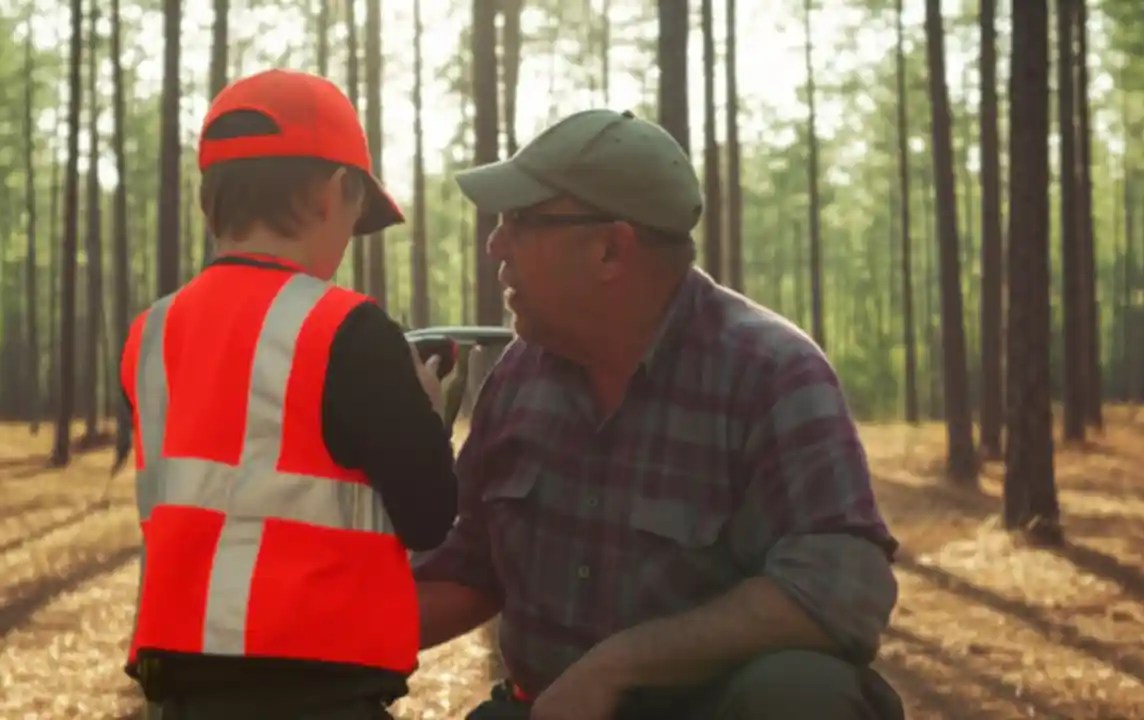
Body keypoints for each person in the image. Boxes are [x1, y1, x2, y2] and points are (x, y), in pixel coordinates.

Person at [412, 108, 903, 720]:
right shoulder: (520, 375)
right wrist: (298, 655)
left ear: (611, 250)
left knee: (804, 693)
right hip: (546, 710)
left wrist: (618, 666)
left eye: (521, 221)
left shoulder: (770, 373)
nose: (495, 245)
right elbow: (468, 570)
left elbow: (841, 591)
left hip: (709, 709)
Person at [118, 68, 458, 719]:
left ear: (206, 202)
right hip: (317, 694)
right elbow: (429, 515)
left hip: (181, 695)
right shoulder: (349, 330)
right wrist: (427, 412)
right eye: (358, 216)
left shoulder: (150, 335)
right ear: (335, 194)